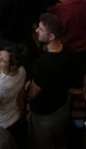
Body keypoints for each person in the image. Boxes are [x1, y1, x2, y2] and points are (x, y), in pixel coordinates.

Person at [27, 13, 73, 149]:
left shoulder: (44, 63)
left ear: (52, 36)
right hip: (62, 107)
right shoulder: (67, 50)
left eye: (40, 29)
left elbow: (32, 94)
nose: (36, 30)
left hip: (45, 115)